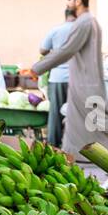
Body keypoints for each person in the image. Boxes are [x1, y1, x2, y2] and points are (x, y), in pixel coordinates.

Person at [25, 0, 108, 158]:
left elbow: (66, 50)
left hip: (85, 83)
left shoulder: (84, 22)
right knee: (78, 127)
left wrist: (37, 68)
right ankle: (76, 158)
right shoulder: (90, 21)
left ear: (78, 1)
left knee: (95, 126)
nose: (67, 3)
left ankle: (106, 156)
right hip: (85, 82)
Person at [40, 8, 77, 146]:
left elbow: (42, 50)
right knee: (76, 113)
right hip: (76, 78)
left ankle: (53, 146)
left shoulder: (56, 30)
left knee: (55, 113)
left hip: (57, 77)